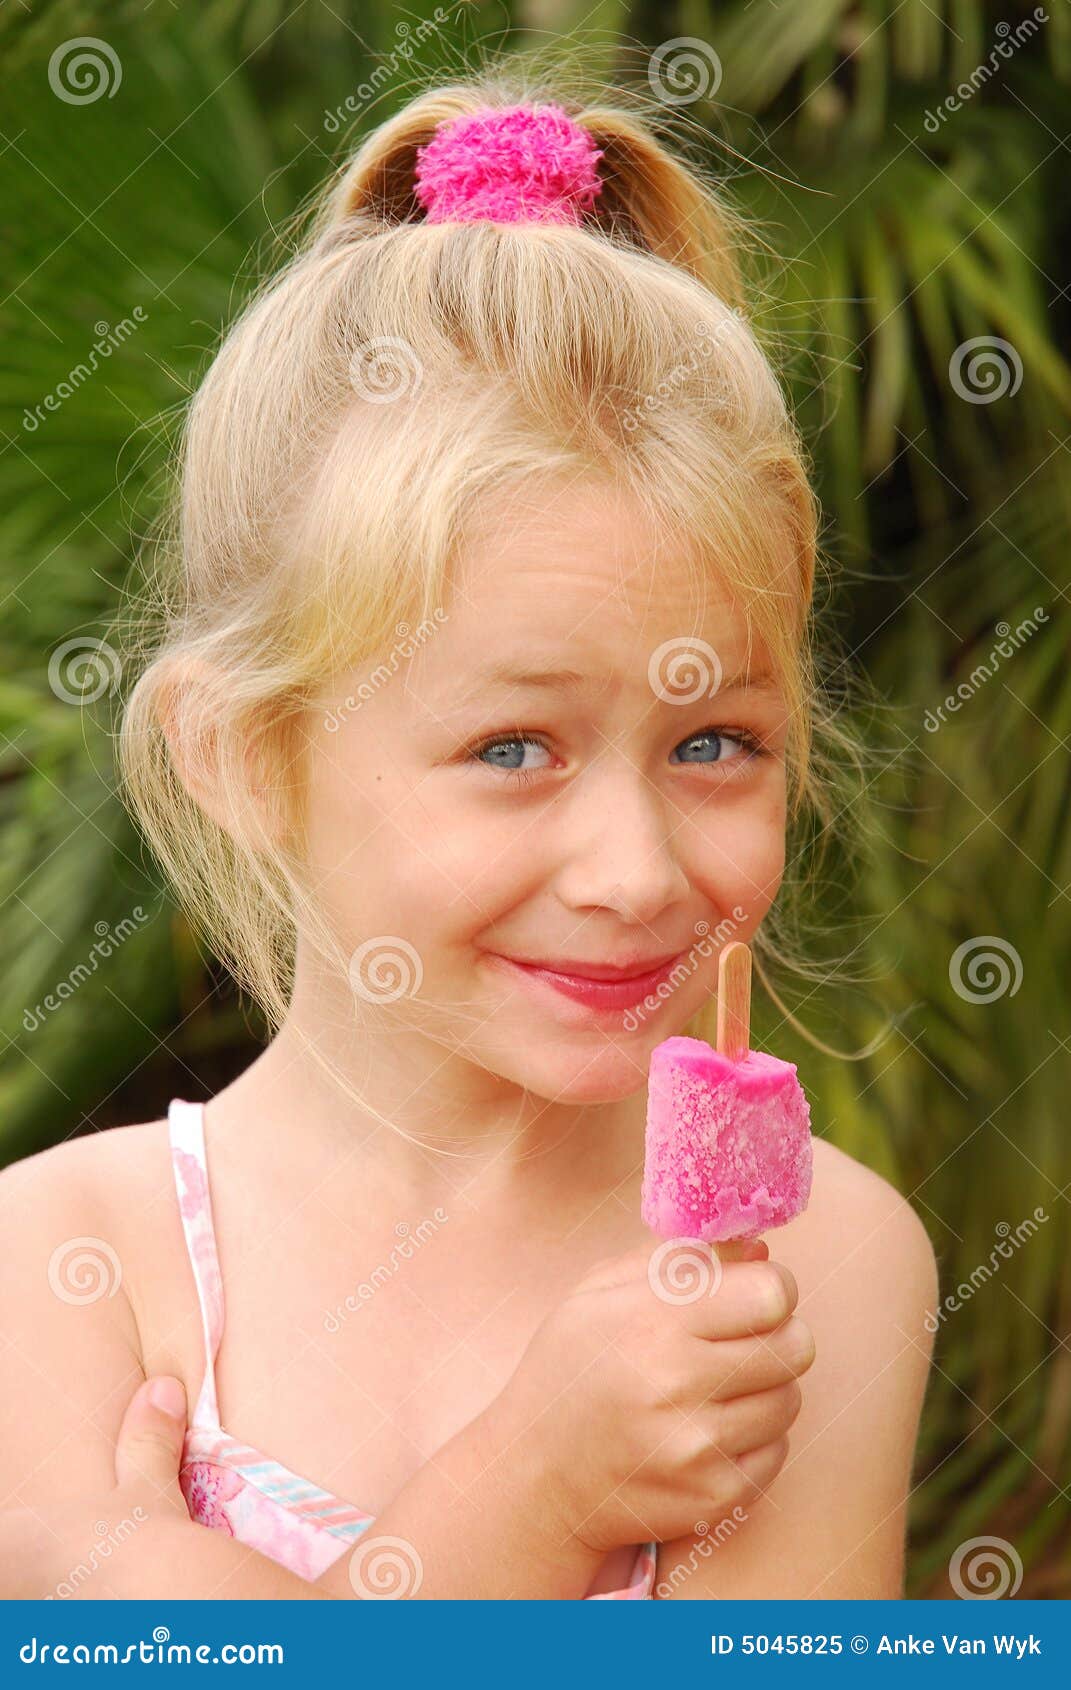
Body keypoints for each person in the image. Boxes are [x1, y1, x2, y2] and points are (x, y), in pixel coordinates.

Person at [0, 65, 937, 1601]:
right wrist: (535, 1491)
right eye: (513, 749)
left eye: (714, 743)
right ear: (243, 757)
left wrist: (197, 1595)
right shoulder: (60, 1268)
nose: (636, 872)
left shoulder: (814, 1270)